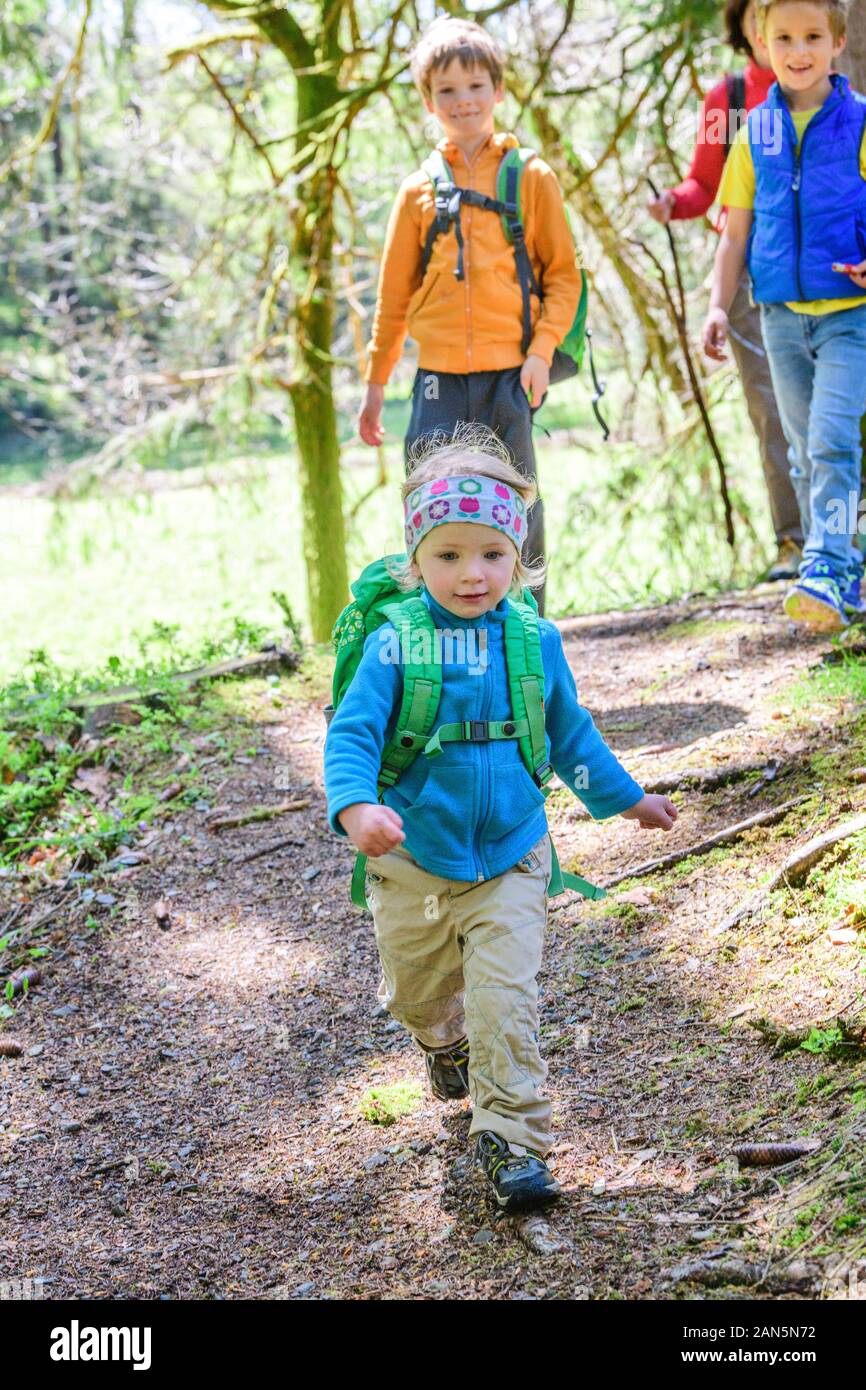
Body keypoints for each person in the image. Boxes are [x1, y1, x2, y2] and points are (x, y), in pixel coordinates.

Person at [323, 425, 678, 1214]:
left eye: (490, 554)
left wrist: (628, 799)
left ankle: (512, 1141)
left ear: (518, 555)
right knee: (419, 991)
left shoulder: (534, 640)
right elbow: (350, 734)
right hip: (412, 860)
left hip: (513, 856)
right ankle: (438, 1040)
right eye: (447, 556)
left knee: (506, 1001)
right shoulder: (394, 645)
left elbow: (570, 734)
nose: (471, 574)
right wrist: (354, 807)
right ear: (417, 559)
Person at [357, 15, 584, 616]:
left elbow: (563, 275)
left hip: (511, 377)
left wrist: (541, 354)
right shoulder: (416, 193)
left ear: (499, 91)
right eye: (448, 90)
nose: (464, 101)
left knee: (517, 507)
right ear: (428, 100)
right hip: (436, 382)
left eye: (476, 86)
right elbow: (393, 297)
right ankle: (427, 636)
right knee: (430, 506)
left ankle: (528, 636)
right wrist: (376, 386)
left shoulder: (531, 179)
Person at [702, 0, 866, 632]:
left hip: (849, 315)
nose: (799, 50)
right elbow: (733, 230)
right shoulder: (755, 132)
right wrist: (718, 305)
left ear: (838, 42)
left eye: (813, 36)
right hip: (777, 315)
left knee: (831, 440)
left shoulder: (856, 121)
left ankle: (825, 564)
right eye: (785, 38)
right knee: (802, 449)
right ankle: (844, 567)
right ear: (763, 46)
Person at [648, 0, 804, 583]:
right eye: (758, 16)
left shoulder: (825, 88)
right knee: (772, 410)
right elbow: (703, 184)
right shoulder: (731, 98)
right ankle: (793, 542)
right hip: (747, 275)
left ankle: (843, 534)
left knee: (834, 402)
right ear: (743, 25)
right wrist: (673, 202)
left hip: (824, 270)